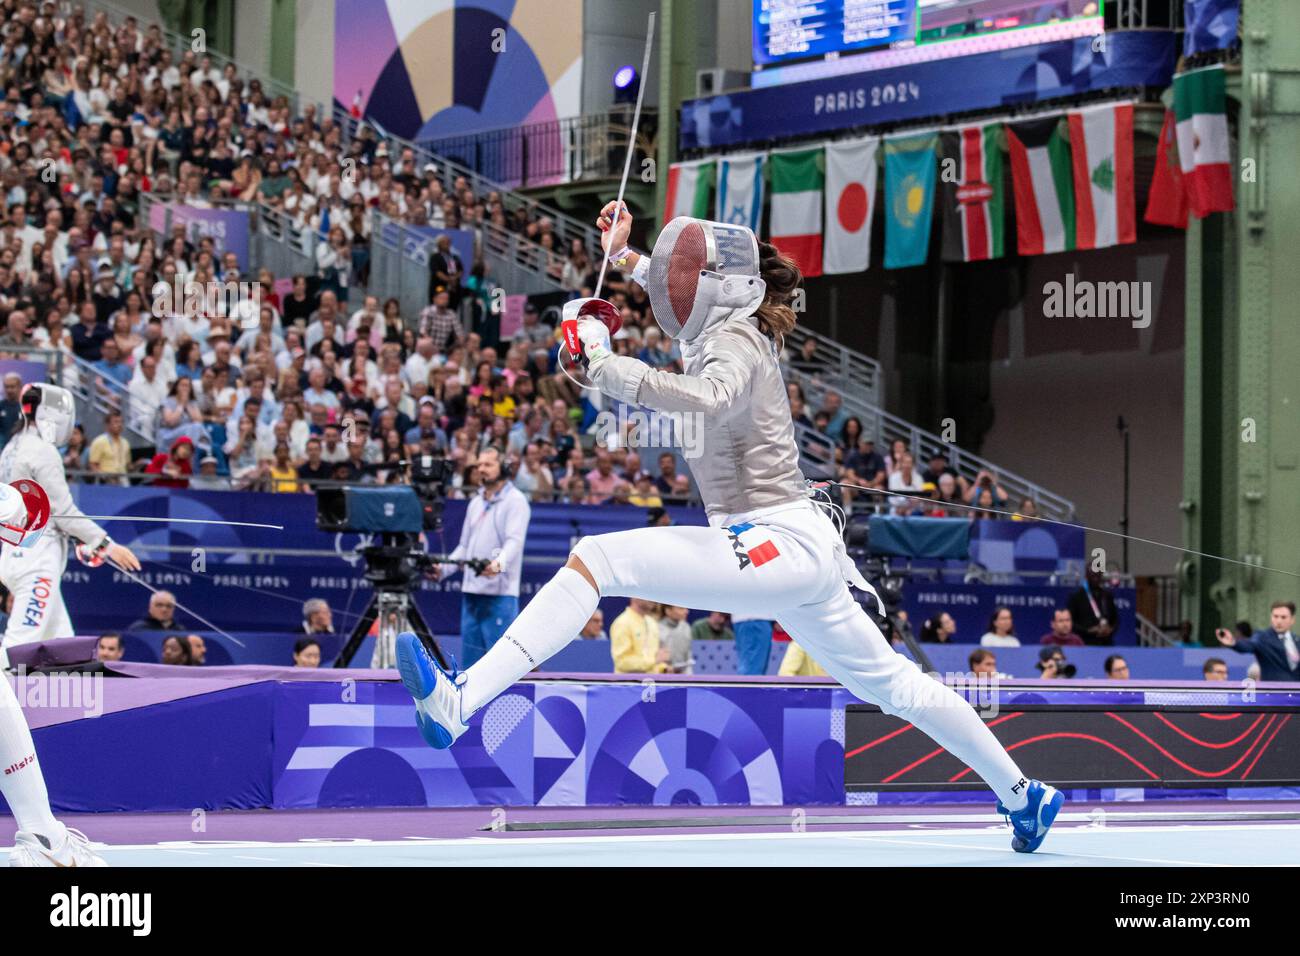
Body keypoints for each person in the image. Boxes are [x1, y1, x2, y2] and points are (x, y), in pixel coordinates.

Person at [395, 206, 1062, 853]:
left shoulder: (735, 341)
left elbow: (708, 398)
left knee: (596, 558)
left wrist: (603, 365)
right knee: (895, 685)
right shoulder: (718, 329)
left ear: (721, 288)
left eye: (685, 276)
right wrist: (623, 255)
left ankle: (460, 702)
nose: (673, 286)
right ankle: (1023, 794)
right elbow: (672, 287)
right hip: (795, 551)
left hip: (778, 542)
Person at [0, 384, 141, 654]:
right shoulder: (41, 451)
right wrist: (107, 545)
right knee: (16, 648)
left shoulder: (12, 447)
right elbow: (63, 512)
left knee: (62, 645)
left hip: (15, 555)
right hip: (37, 561)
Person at [428, 446, 530, 669]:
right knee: (471, 666)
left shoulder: (516, 501)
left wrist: (498, 565)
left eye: (488, 464)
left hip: (500, 596)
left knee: (499, 665)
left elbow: (514, 542)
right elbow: (464, 546)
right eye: (479, 464)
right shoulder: (475, 502)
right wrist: (443, 569)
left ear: (504, 467)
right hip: (472, 594)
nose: (481, 469)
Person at [1216, 601, 1300, 682]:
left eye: (1283, 617)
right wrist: (1233, 642)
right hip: (1273, 690)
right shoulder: (1262, 637)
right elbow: (1248, 645)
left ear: (1292, 619)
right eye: (1275, 616)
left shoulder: (1297, 640)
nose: (1279, 621)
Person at [609, 597, 669, 674]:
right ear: (634, 596)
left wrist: (664, 668)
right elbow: (622, 662)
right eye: (647, 593)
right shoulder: (622, 623)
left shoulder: (652, 623)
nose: (652, 597)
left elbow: (654, 658)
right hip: (628, 681)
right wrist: (654, 661)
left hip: (652, 680)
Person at [1068, 569, 1120, 646]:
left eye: (1098, 575)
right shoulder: (1076, 596)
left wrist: (1110, 629)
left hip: (1106, 642)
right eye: (1093, 576)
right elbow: (1071, 622)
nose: (1096, 579)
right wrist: (1088, 631)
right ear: (1086, 576)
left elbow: (1115, 619)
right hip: (1084, 643)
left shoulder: (1107, 595)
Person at [658, 604, 694, 674]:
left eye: (686, 608)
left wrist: (689, 676)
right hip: (662, 673)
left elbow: (688, 656)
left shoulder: (686, 627)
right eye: (681, 608)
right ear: (668, 611)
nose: (686, 611)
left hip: (683, 674)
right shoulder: (657, 628)